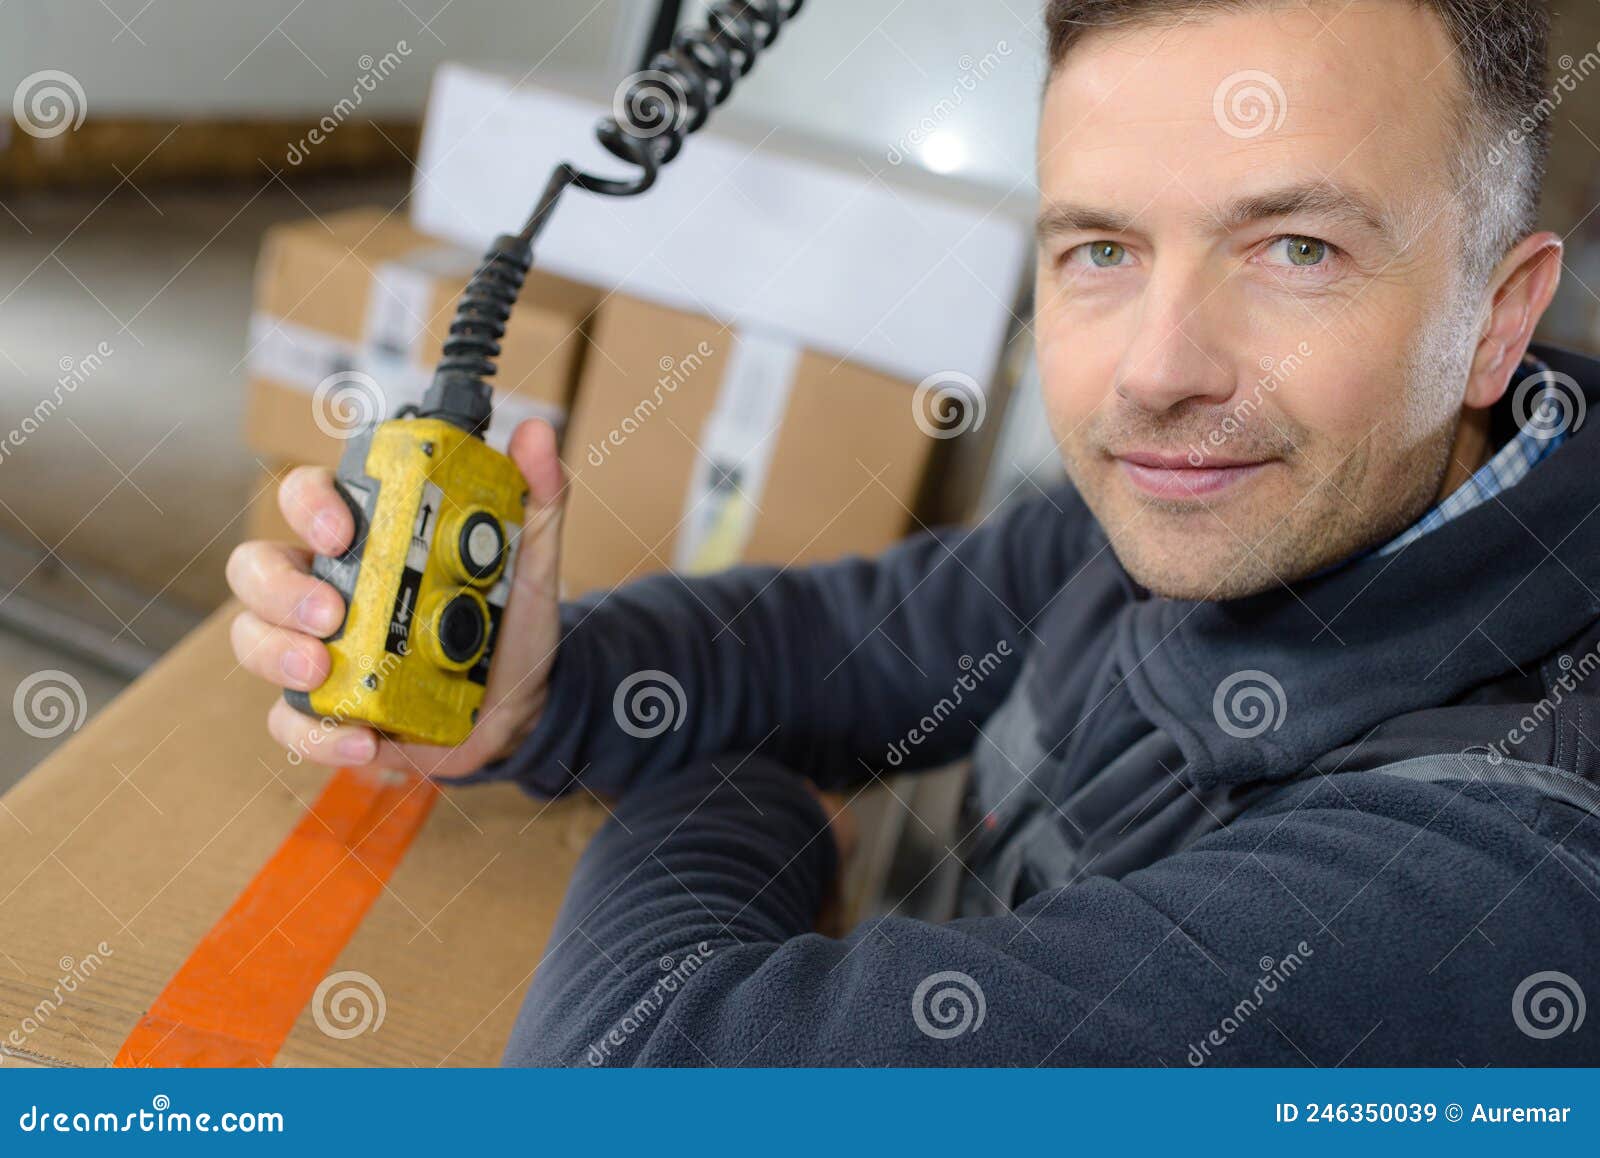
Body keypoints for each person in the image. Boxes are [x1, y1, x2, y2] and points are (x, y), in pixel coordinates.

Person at [226, 0, 1600, 1064]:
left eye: (1296, 248)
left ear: (1495, 316)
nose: (1155, 369)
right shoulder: (1220, 504)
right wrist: (544, 695)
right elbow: (844, 644)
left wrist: (729, 799)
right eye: (1102, 251)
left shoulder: (1503, 890)